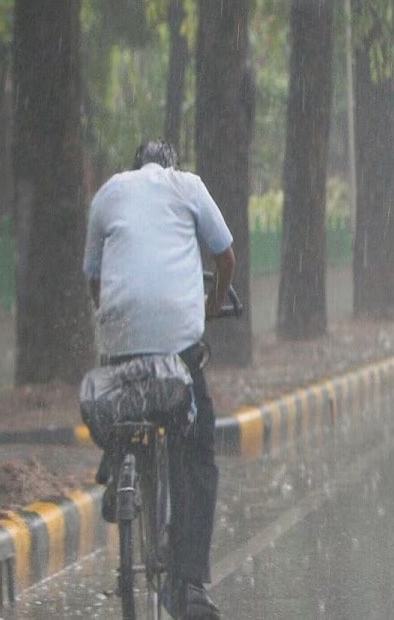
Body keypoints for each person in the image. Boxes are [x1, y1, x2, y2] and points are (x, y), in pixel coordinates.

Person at [83, 140, 235, 620]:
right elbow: (225, 257)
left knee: (123, 398)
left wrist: (114, 317)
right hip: (177, 347)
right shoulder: (186, 186)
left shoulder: (109, 193)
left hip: (121, 340)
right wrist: (209, 309)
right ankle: (187, 583)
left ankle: (117, 462)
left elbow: (94, 277)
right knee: (196, 449)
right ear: (170, 166)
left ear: (133, 168)